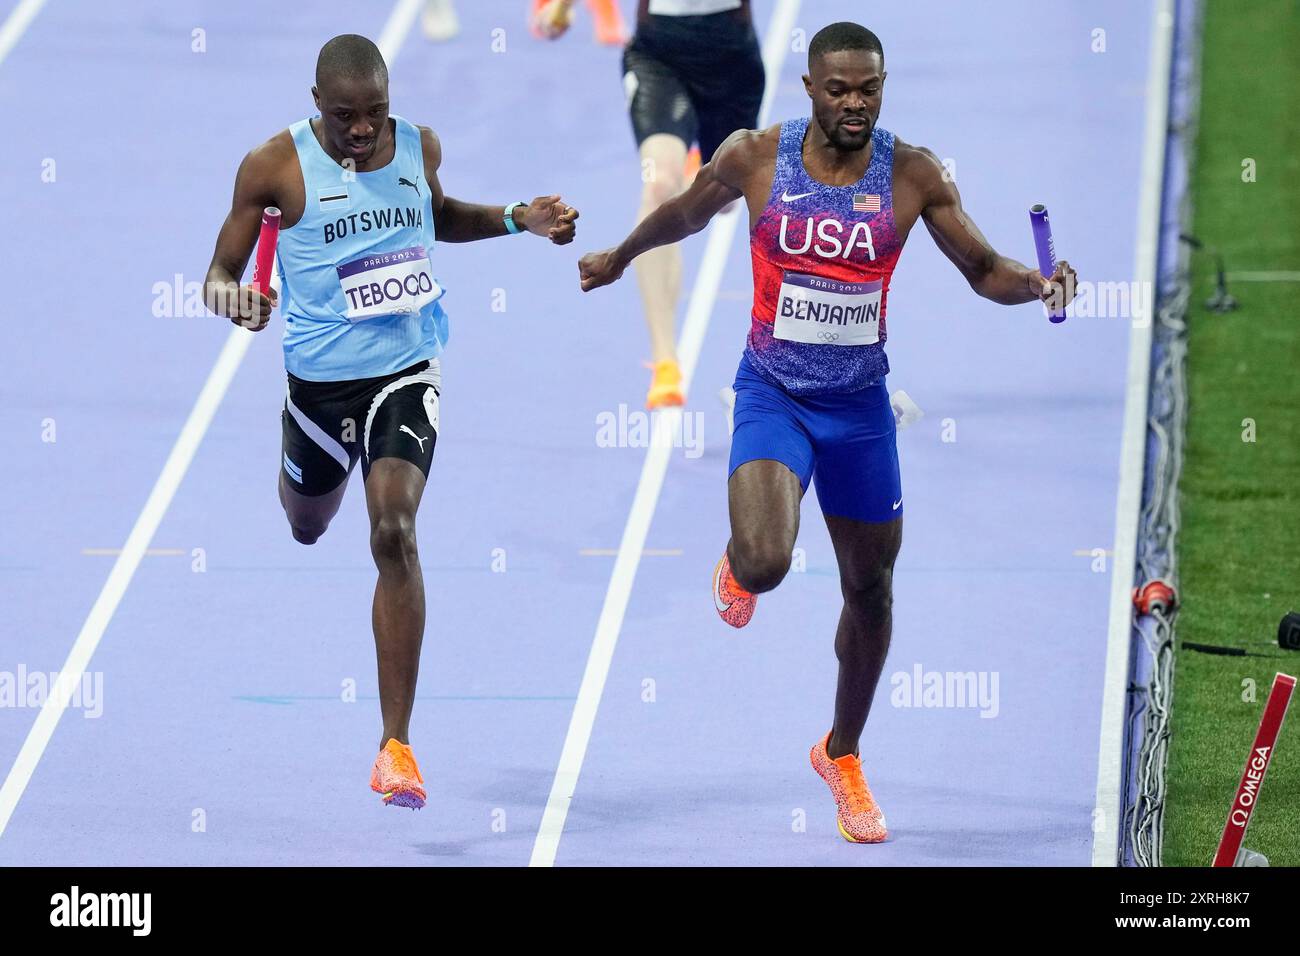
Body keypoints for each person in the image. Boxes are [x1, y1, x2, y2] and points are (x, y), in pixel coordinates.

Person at [577, 22, 1076, 842]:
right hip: (773, 392)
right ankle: (739, 560)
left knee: (871, 591)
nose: (854, 104)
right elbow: (684, 214)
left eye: (868, 90)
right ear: (809, 87)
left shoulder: (912, 174)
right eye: (838, 89)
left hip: (859, 410)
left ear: (884, 88)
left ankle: (841, 754)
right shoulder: (752, 157)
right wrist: (621, 254)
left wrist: (1040, 282)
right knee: (767, 561)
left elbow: (987, 271)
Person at [203, 34, 578, 810]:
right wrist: (234, 301)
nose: (365, 130)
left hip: (407, 371)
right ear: (317, 106)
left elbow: (438, 217)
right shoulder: (273, 167)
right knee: (307, 524)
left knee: (393, 532)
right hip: (318, 392)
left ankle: (395, 746)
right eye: (347, 117)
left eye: (376, 111)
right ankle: (306, 481)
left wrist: (518, 219)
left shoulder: (418, 144)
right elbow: (217, 277)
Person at [546, 0, 764, 408]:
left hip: (731, 59)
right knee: (658, 183)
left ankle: (699, 174)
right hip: (658, 56)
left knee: (725, 200)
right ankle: (666, 359)